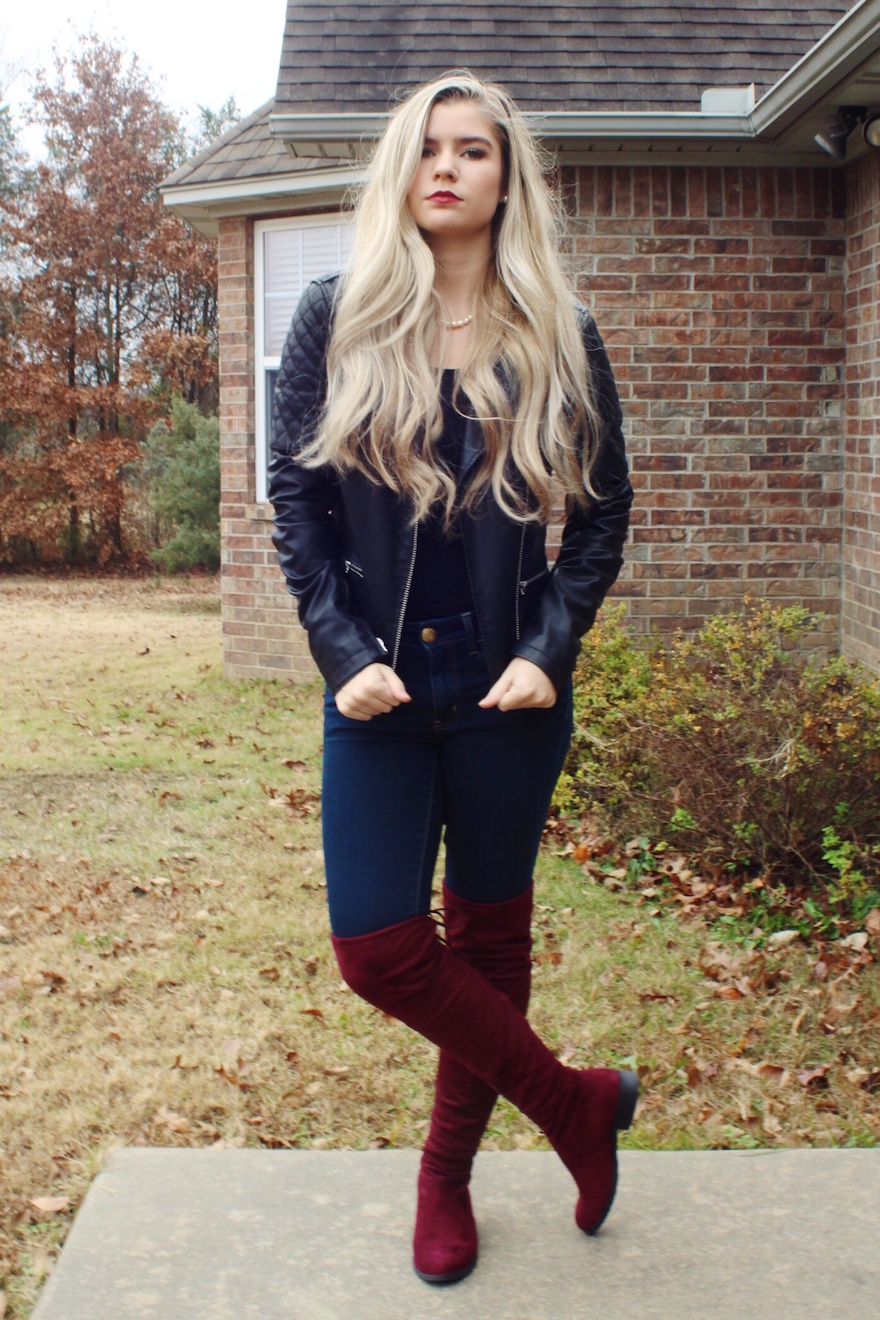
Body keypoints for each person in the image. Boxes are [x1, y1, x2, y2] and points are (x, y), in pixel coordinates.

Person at [268, 70, 636, 1286]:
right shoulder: (336, 314)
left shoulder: (557, 334)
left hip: (504, 688)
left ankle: (446, 1180)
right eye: (427, 147)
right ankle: (572, 1103)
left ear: (503, 177)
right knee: (378, 947)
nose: (447, 166)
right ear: (400, 171)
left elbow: (600, 515)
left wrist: (551, 648)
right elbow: (296, 499)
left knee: (486, 936)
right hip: (375, 684)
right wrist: (338, 649)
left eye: (473, 150)